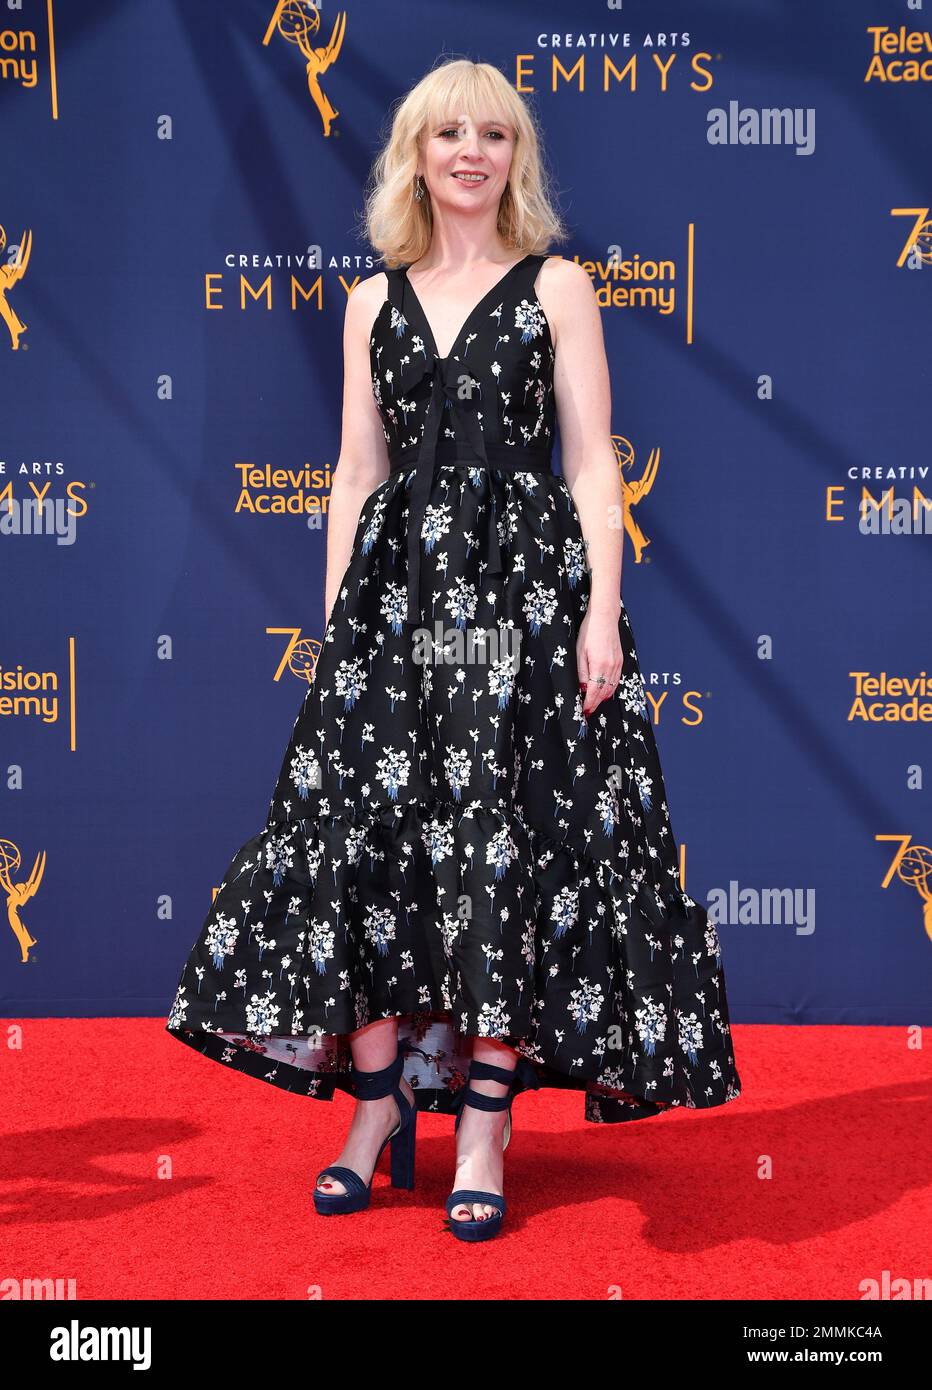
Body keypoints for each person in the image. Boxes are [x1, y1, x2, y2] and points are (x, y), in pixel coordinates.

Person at [165, 57, 741, 1244]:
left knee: (502, 852)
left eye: (492, 134)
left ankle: (483, 1123)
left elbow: (590, 463)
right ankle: (373, 1112)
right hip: (395, 608)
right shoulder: (371, 300)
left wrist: (596, 611)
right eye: (446, 135)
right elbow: (354, 470)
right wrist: (336, 627)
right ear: (414, 157)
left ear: (513, 157)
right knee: (364, 852)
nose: (469, 152)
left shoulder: (558, 288)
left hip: (522, 607)